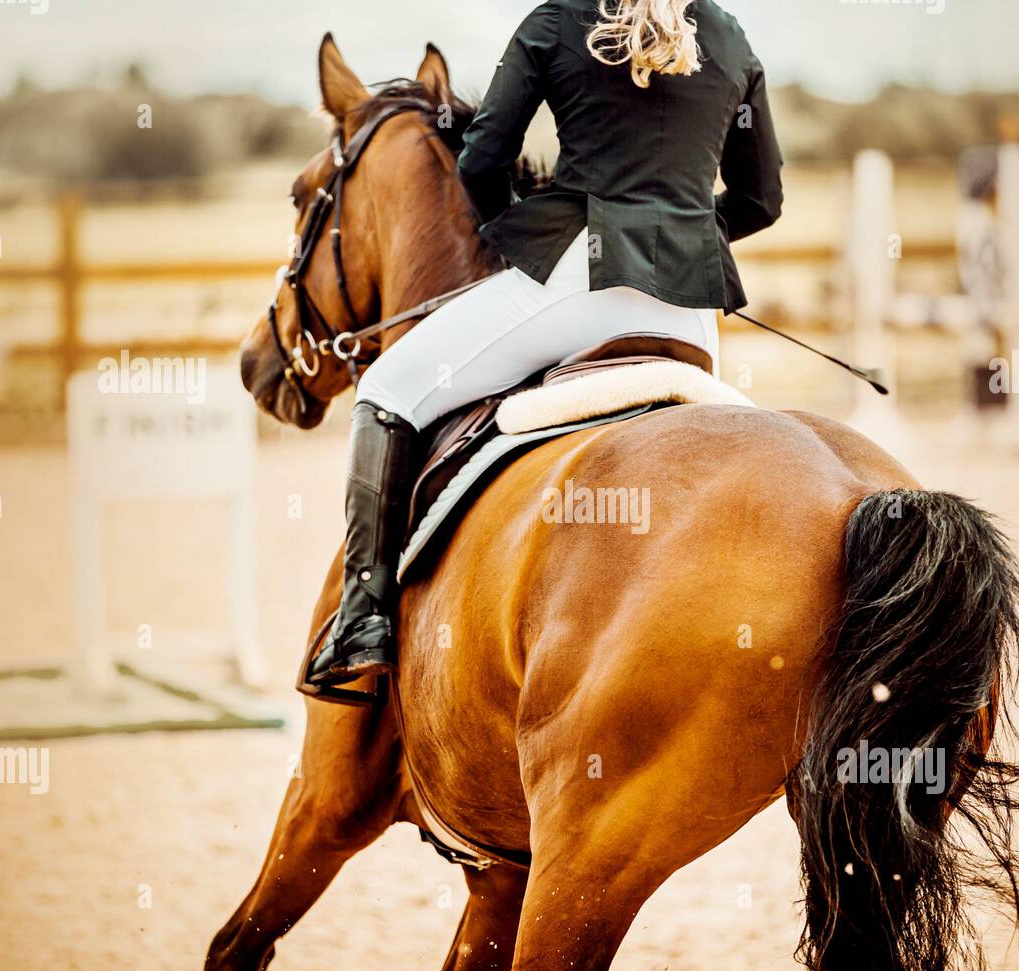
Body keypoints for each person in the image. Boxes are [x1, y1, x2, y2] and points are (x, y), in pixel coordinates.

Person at [307, 0, 784, 693]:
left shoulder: (558, 19)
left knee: (387, 391)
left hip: (574, 286)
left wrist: (526, 239)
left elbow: (482, 160)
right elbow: (762, 198)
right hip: (690, 319)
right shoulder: (726, 31)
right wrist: (674, 232)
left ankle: (363, 618)